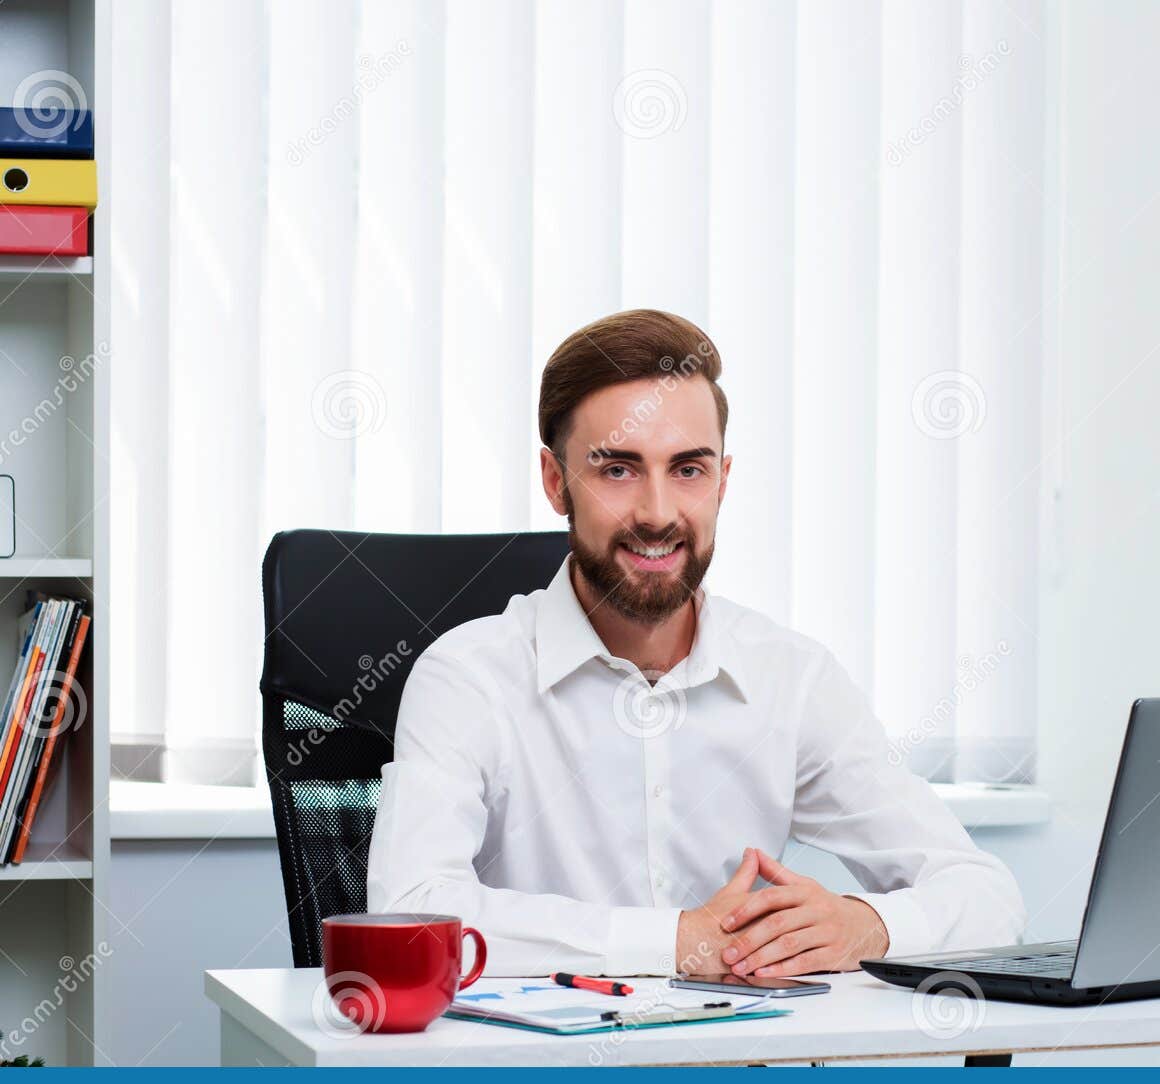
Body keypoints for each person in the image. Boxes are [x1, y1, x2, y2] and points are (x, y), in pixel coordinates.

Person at [367, 308, 1026, 977]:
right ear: (554, 479)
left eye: (688, 469)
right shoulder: (468, 677)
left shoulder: (789, 678)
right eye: (618, 470)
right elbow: (411, 913)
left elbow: (987, 896)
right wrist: (677, 942)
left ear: (723, 479)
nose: (657, 512)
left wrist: (866, 925)